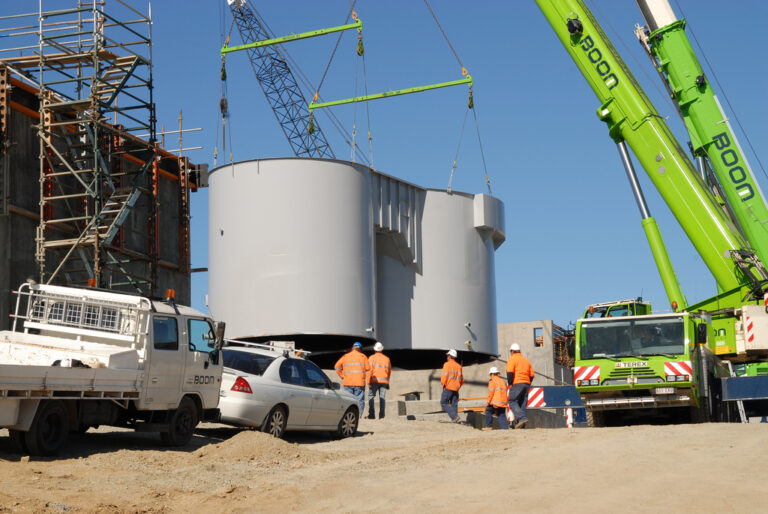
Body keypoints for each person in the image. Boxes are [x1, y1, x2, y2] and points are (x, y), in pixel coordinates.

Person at [335, 341, 371, 417]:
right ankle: (358, 416)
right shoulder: (363, 357)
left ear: (352, 348)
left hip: (347, 382)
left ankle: (347, 415)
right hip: (359, 383)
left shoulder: (345, 356)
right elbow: (368, 369)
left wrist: (342, 376)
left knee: (348, 400)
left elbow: (337, 367)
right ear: (360, 349)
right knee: (359, 400)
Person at [506, 343, 535, 429]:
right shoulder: (526, 360)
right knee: (522, 404)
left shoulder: (512, 359)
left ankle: (522, 418)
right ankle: (521, 425)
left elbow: (510, 373)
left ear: (512, 351)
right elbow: (532, 375)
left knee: (512, 401)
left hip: (517, 383)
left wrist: (510, 383)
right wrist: (528, 383)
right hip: (526, 384)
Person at [367, 341, 391, 419]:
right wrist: (387, 381)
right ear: (381, 350)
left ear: (375, 349)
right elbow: (389, 371)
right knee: (382, 398)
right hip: (384, 382)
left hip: (374, 381)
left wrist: (368, 382)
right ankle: (382, 416)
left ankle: (372, 415)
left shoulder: (371, 358)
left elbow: (369, 371)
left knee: (371, 396)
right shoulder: (387, 359)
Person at [440, 349, 464, 423]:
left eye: (448, 355)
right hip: (456, 389)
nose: (447, 356)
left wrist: (443, 385)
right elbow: (462, 380)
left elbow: (444, 377)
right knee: (454, 405)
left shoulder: (447, 364)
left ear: (450, 356)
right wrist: (458, 386)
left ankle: (455, 417)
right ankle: (455, 420)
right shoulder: (459, 366)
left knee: (443, 403)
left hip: (448, 387)